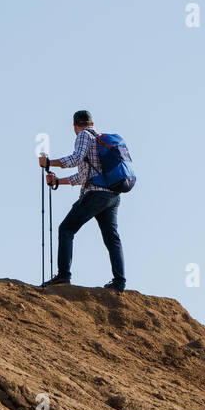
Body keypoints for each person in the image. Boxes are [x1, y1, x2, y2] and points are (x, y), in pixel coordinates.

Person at [38, 109, 127, 292]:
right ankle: (119, 282)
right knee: (112, 239)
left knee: (66, 229)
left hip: (95, 195)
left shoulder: (83, 136)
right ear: (92, 123)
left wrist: (48, 163)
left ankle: (63, 276)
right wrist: (57, 181)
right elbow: (82, 176)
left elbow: (75, 159)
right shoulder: (100, 140)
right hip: (112, 196)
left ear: (75, 126)